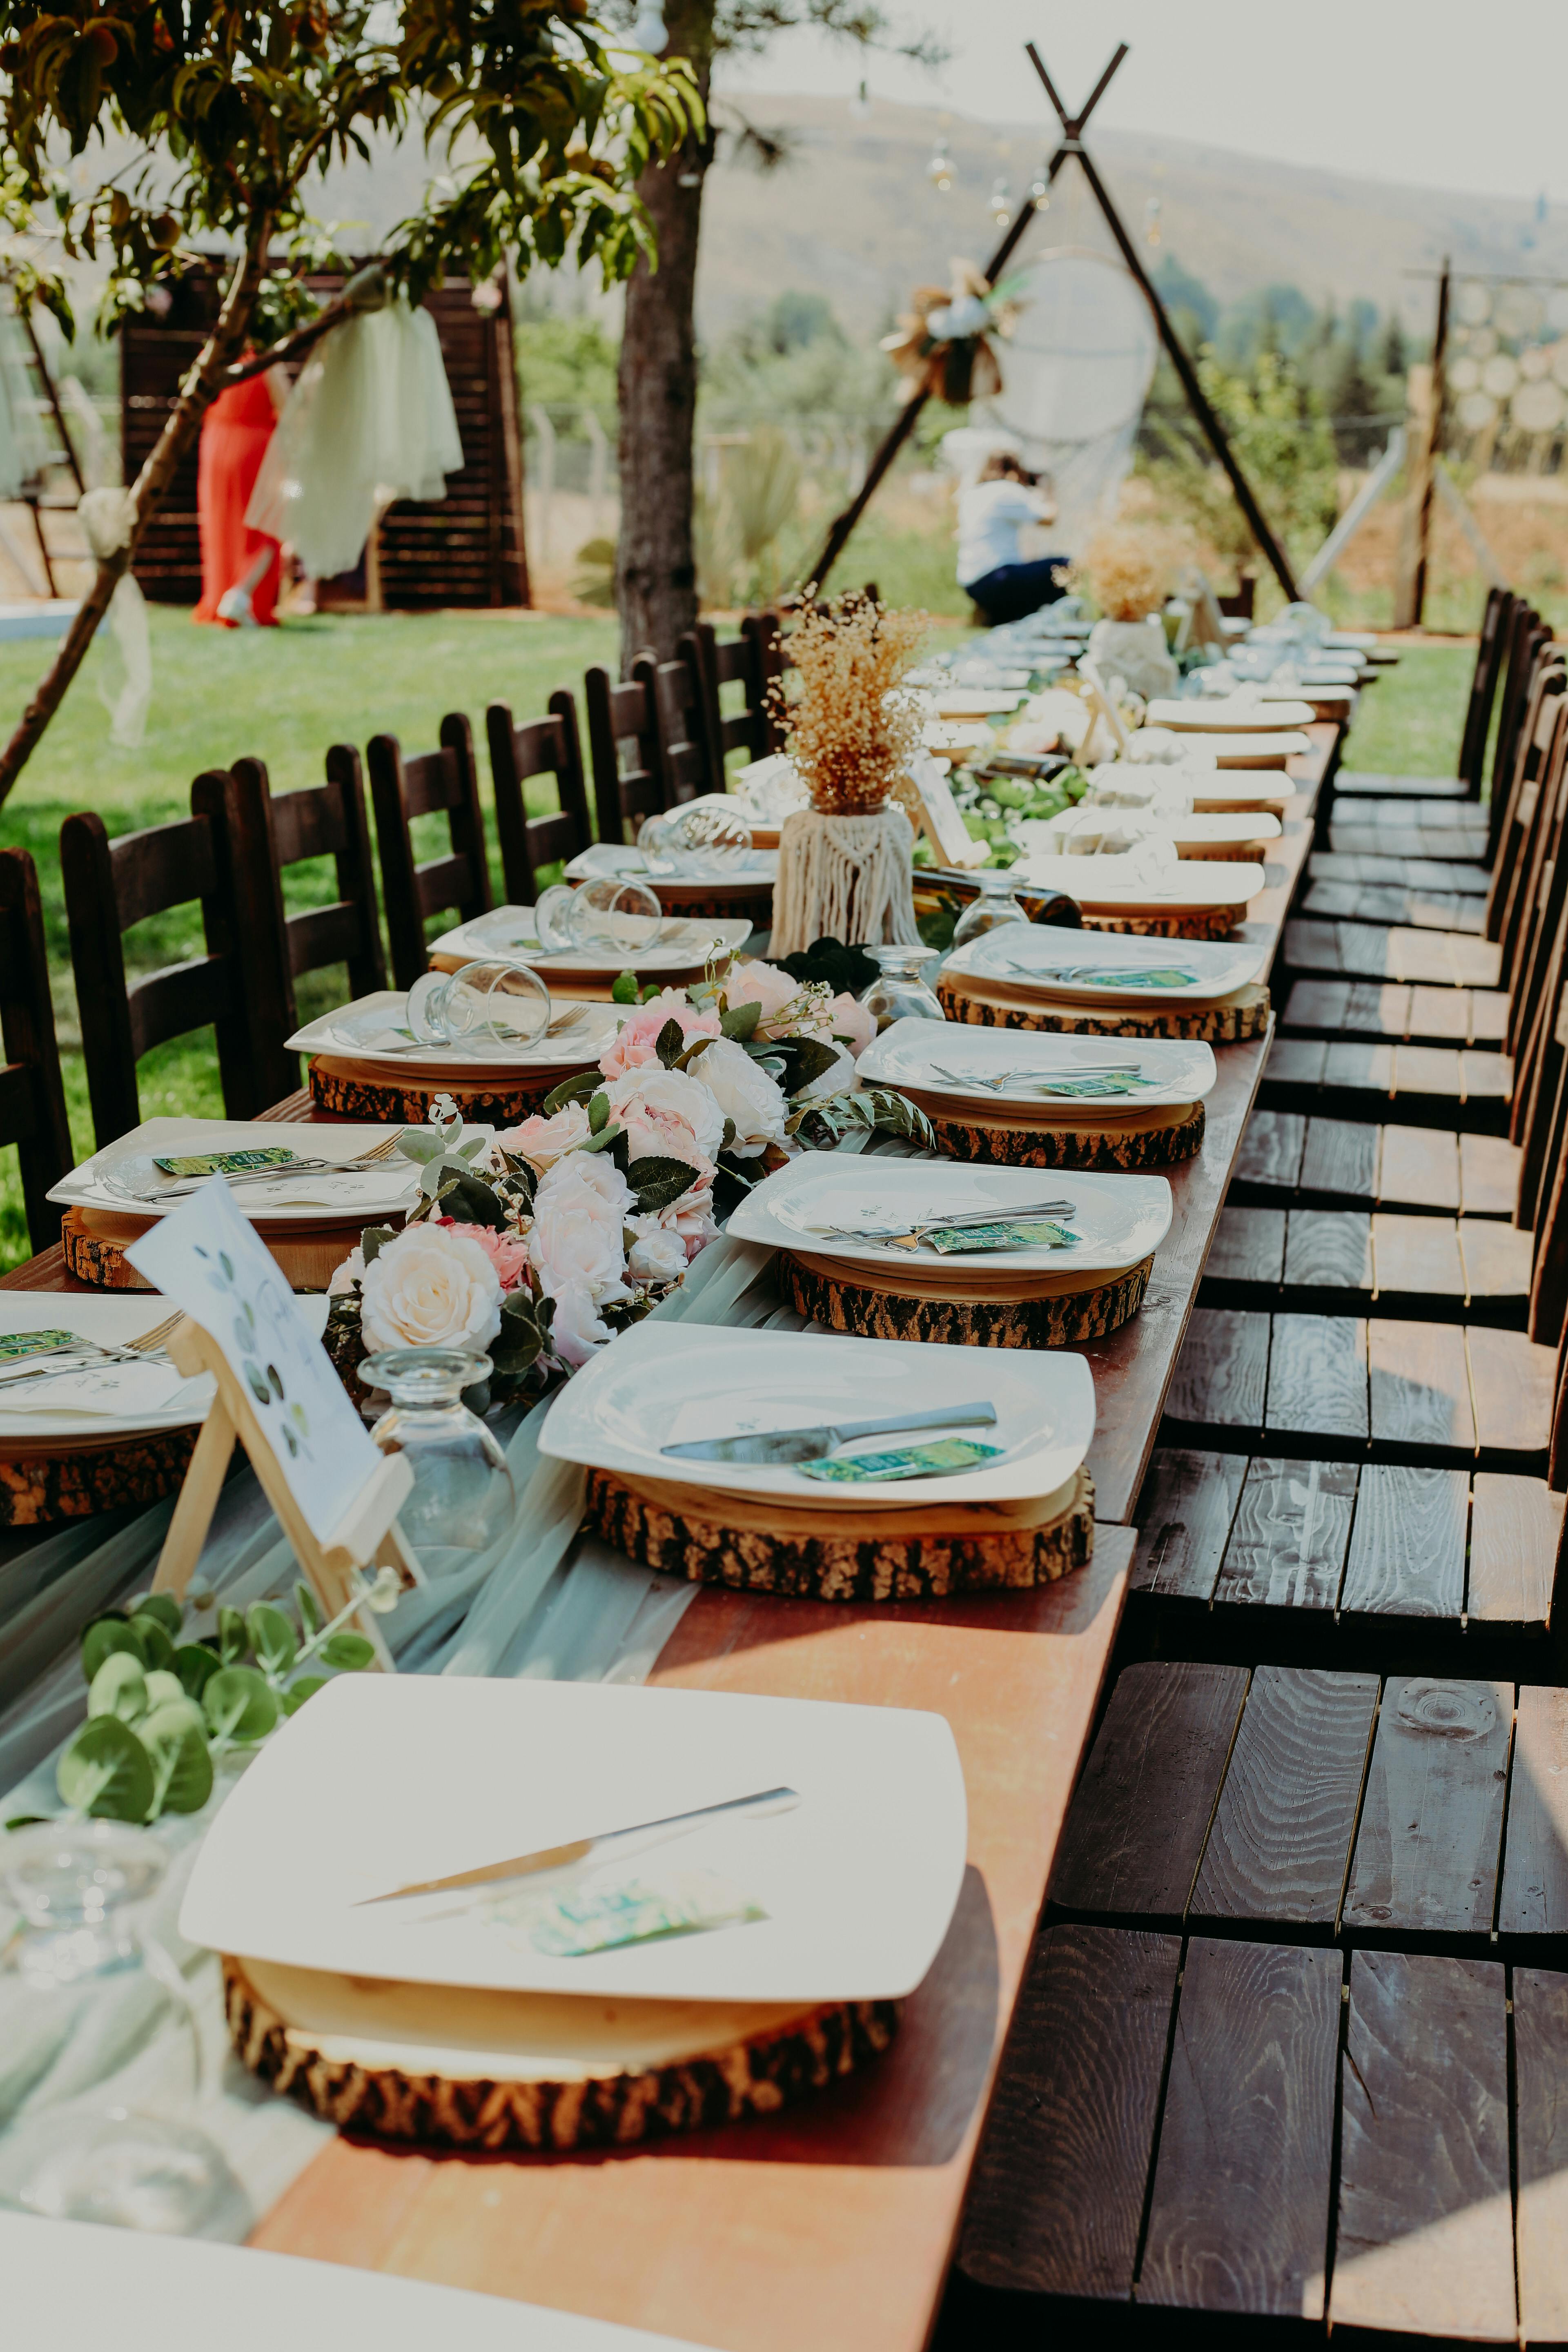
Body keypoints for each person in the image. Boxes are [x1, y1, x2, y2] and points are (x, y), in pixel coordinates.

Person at [193, 364, 289, 627]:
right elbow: (287, 406)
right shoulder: (267, 361)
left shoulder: (213, 357)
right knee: (268, 523)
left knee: (222, 525)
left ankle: (226, 595)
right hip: (255, 452)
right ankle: (239, 595)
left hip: (215, 445)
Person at [956, 451, 1069, 626]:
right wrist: (1047, 490)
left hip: (971, 584)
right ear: (1013, 472)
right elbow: (1049, 518)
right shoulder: (1007, 489)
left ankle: (999, 616)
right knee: (1066, 567)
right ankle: (1026, 620)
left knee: (1025, 571)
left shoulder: (973, 493)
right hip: (998, 580)